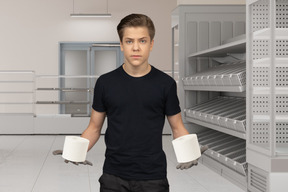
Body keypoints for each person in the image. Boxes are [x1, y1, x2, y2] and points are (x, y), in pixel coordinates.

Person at [54, 13, 207, 192]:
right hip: (113, 176)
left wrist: (189, 152)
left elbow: (177, 127)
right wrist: (74, 151)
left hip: (153, 176)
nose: (135, 47)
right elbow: (94, 128)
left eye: (142, 41)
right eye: (129, 41)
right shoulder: (105, 83)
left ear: (151, 44)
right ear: (121, 45)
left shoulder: (165, 84)